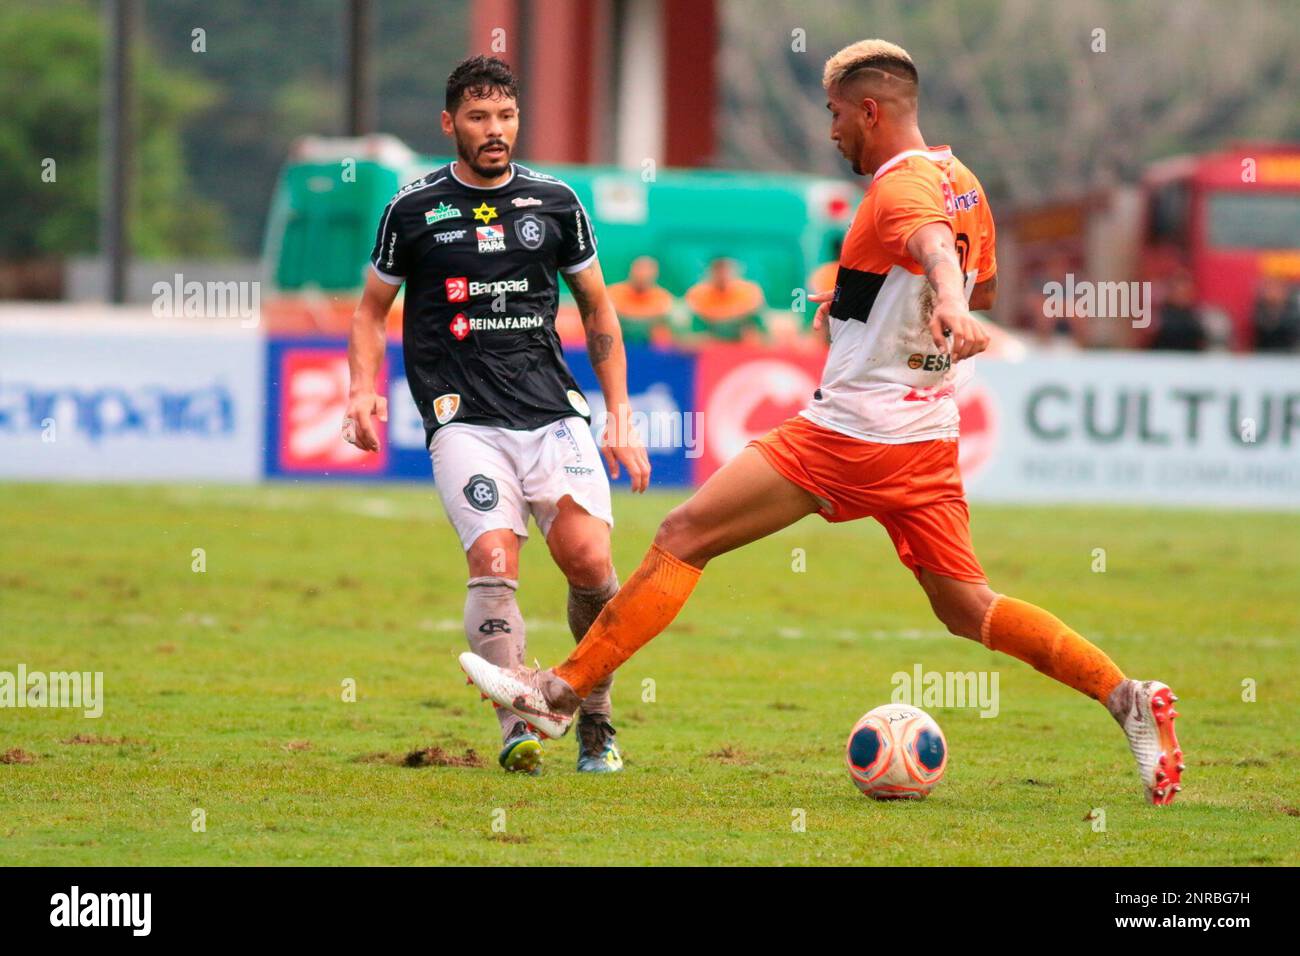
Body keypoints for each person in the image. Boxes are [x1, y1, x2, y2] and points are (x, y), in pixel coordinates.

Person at [461, 39, 1184, 806]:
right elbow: (979, 279)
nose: (832, 131)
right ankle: (1125, 696)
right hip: (926, 438)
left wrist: (939, 297)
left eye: (837, 115)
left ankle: (557, 695)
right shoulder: (964, 181)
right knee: (967, 606)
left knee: (682, 537)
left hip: (851, 435)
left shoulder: (898, 191)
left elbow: (934, 249)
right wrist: (908, 309)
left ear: (871, 111)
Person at [344, 55, 650, 775]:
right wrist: (361, 387)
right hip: (463, 419)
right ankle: (516, 725)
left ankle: (594, 719)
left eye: (506, 116)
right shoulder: (411, 210)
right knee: (492, 560)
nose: (494, 131)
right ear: (450, 123)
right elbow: (368, 311)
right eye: (479, 118)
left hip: (552, 413)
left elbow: (598, 309)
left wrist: (621, 412)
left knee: (590, 561)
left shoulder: (557, 203)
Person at [683, 257, 767, 343]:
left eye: (726, 270)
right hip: (710, 330)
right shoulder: (698, 292)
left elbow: (753, 310)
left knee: (756, 317)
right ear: (709, 272)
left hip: (739, 328)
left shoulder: (750, 290)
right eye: (718, 270)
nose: (722, 274)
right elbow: (697, 312)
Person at [606, 256, 677, 346]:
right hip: (616, 345)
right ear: (631, 271)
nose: (643, 274)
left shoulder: (664, 298)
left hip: (653, 351)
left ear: (655, 275)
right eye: (639, 269)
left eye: (648, 271)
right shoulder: (612, 293)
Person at [1250, 276, 1300, 352]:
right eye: (1270, 289)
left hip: (1289, 354)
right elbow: (1263, 328)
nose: (1273, 293)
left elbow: (1291, 330)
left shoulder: (1292, 311)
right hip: (1263, 354)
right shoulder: (1260, 309)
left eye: (1278, 290)